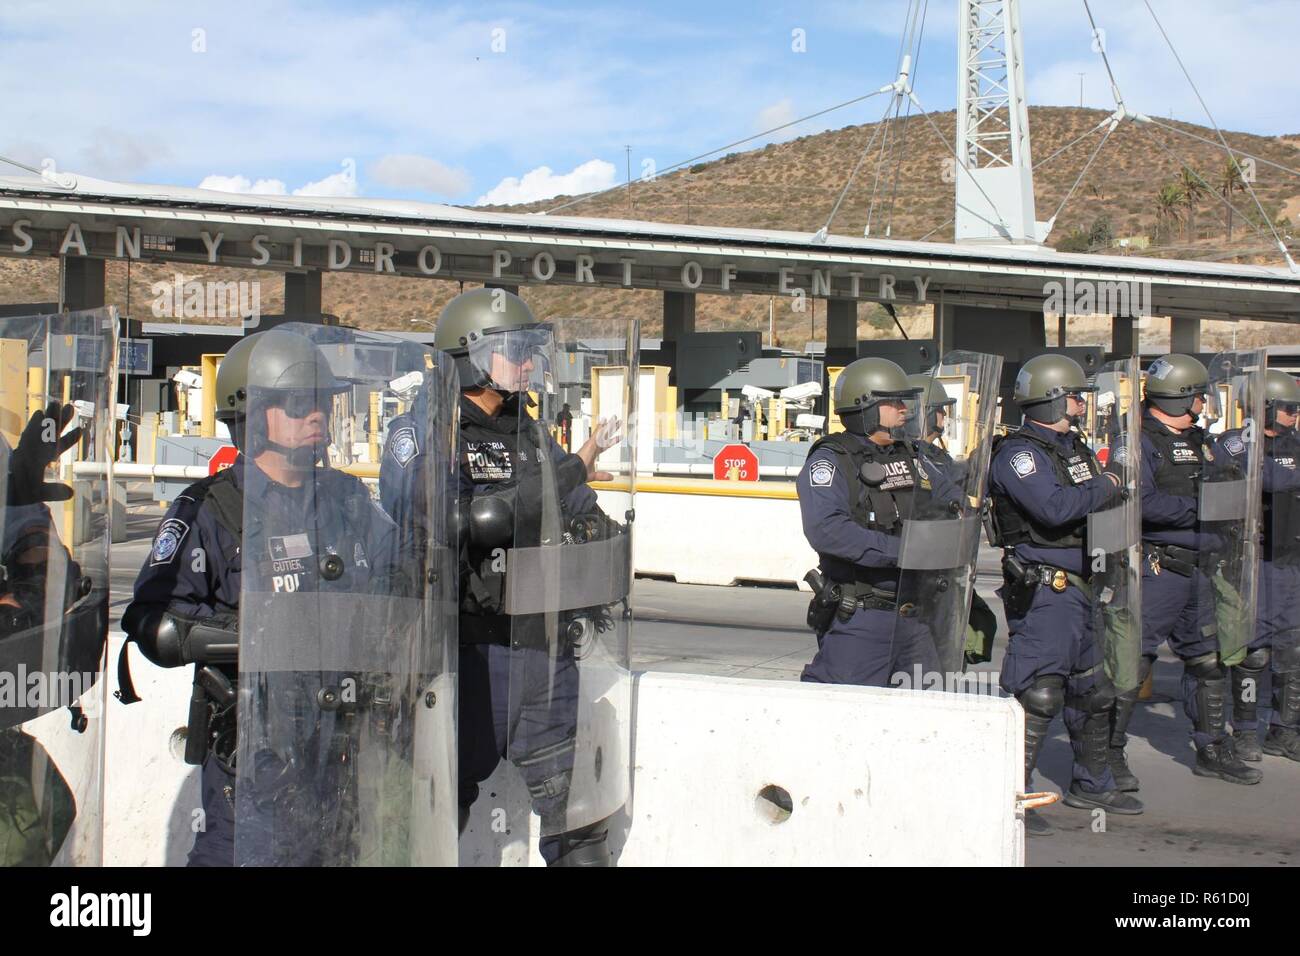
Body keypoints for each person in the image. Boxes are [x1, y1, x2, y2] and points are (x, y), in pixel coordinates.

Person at [121, 328, 415, 865]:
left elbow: (404, 576)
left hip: (341, 745)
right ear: (252, 413)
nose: (317, 416)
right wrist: (257, 636)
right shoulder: (210, 509)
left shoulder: (347, 498)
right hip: (256, 752)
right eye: (299, 404)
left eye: (323, 402)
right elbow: (154, 623)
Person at [394, 286, 629, 867]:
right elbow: (459, 518)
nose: (527, 361)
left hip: (544, 651)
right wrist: (572, 469)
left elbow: (571, 509)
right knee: (435, 815)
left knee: (580, 822)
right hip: (468, 657)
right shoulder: (426, 430)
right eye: (513, 348)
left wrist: (596, 533)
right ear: (469, 355)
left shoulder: (530, 434)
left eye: (530, 347)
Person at [987, 355, 1143, 835]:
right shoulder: (1021, 454)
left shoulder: (1071, 446)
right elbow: (1055, 509)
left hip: (1089, 581)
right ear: (1055, 396)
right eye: (1075, 395)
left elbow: (1095, 500)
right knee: (1039, 691)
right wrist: (1109, 483)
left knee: (1092, 691)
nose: (1080, 404)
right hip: (1047, 585)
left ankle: (1092, 782)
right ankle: (1012, 792)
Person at [1106, 353, 1261, 787]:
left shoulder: (1202, 441)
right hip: (1159, 570)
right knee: (1131, 663)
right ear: (1182, 397)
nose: (1204, 402)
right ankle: (1110, 756)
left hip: (1204, 570)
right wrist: (1200, 507)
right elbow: (1139, 501)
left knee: (1209, 661)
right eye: (1198, 395)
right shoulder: (1137, 442)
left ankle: (1211, 748)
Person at [798, 357, 944, 687]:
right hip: (865, 614)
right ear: (865, 407)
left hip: (917, 615)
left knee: (933, 714)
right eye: (893, 402)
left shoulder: (912, 455)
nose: (904, 409)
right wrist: (902, 550)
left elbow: (954, 499)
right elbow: (829, 531)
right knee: (847, 713)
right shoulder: (832, 461)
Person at [1225, 368, 1300, 762]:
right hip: (1254, 562)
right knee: (1254, 653)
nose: (1293, 416)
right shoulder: (1236, 444)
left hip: (1291, 561)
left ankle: (1284, 730)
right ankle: (1245, 731)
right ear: (1266, 408)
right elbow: (1267, 479)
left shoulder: (1296, 443)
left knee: (1293, 649)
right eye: (1288, 409)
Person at [905, 372, 998, 667]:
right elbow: (941, 493)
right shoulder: (908, 458)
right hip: (922, 585)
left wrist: (981, 459)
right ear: (925, 412)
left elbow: (954, 479)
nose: (945, 417)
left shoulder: (936, 457)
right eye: (941, 409)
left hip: (947, 579)